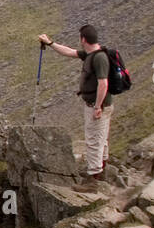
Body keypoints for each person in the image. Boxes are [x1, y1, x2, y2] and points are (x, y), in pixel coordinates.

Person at [37, 25, 112, 179]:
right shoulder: (92, 54)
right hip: (99, 105)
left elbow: (103, 83)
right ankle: (102, 170)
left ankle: (93, 179)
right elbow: (70, 52)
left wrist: (98, 106)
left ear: (83, 39)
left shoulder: (99, 58)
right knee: (101, 137)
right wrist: (50, 43)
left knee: (93, 140)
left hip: (97, 106)